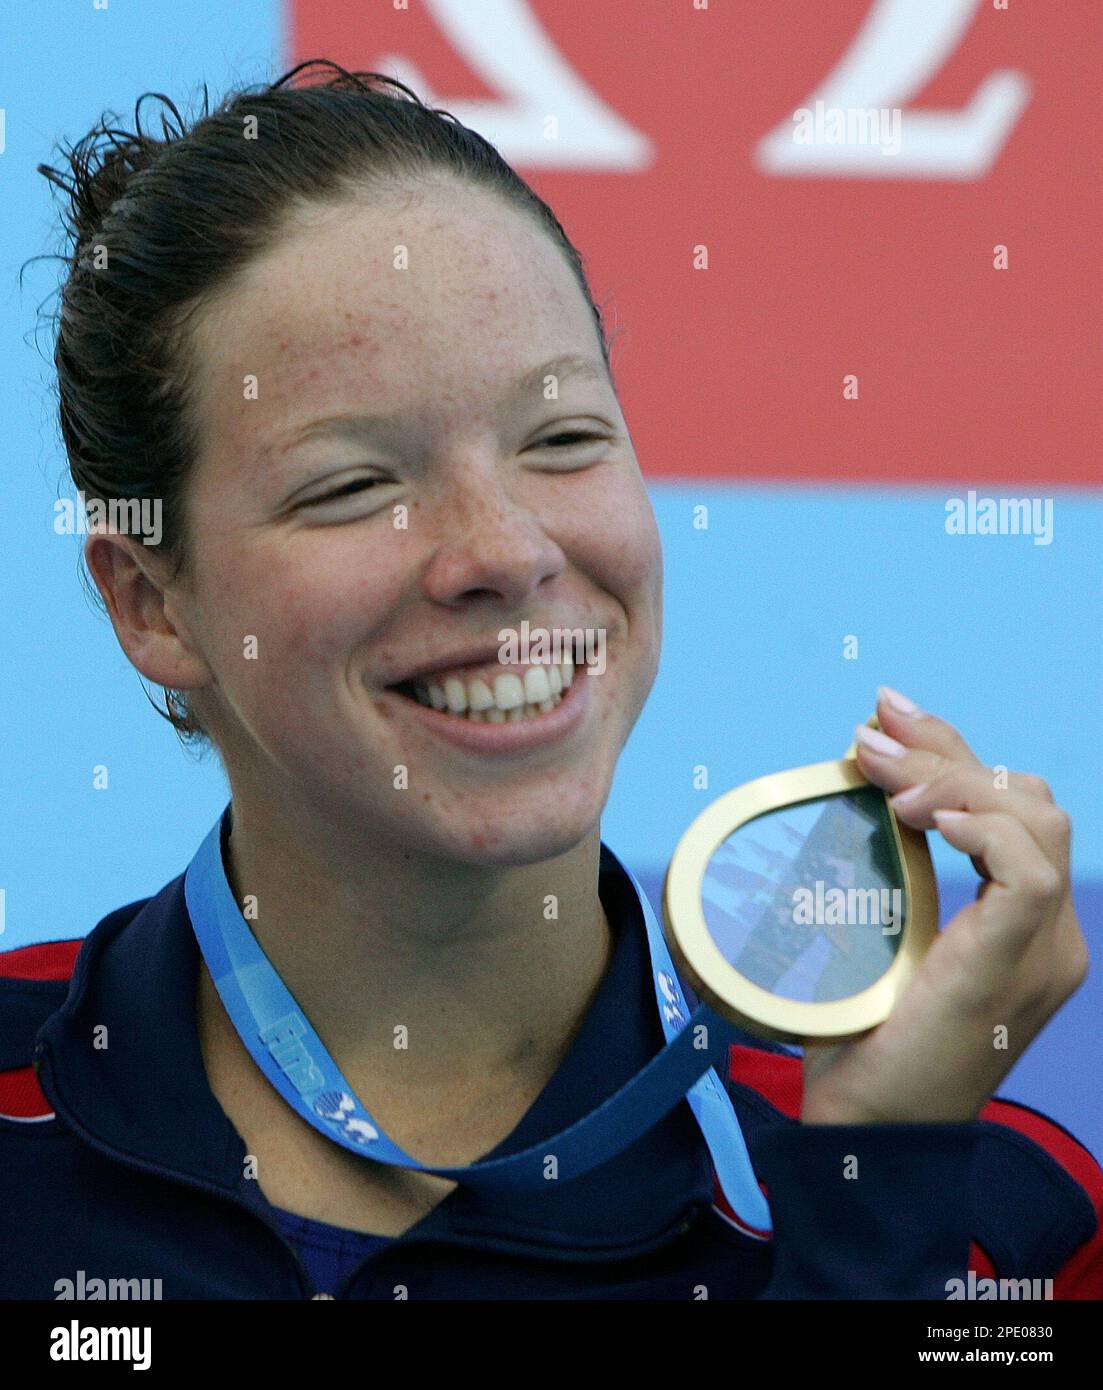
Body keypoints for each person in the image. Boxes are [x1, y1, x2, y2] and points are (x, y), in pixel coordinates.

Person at [2, 60, 1099, 1301]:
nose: (509, 550)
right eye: (354, 484)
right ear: (151, 603)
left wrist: (870, 1201)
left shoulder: (1004, 1213)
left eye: (563, 439)